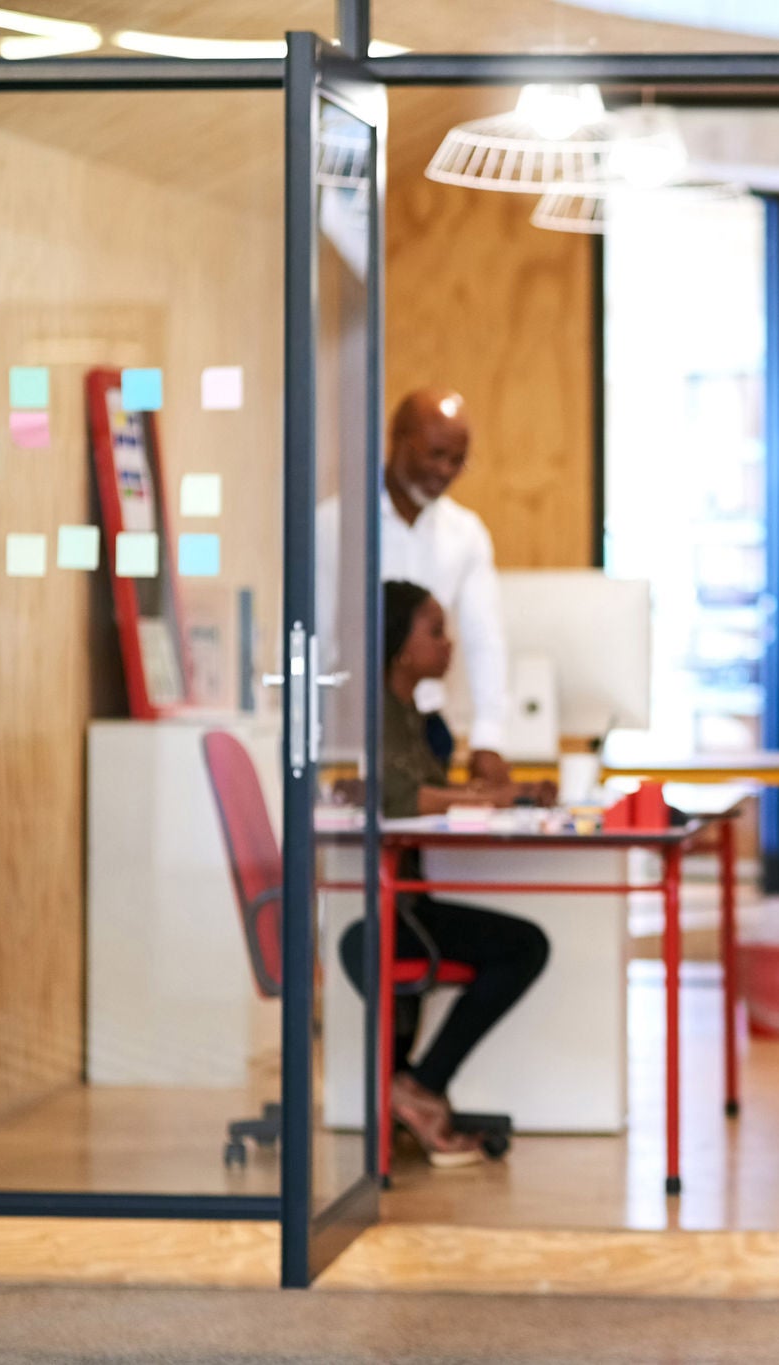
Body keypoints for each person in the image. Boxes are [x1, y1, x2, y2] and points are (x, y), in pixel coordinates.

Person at [337, 580, 551, 1168]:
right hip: (385, 909)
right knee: (523, 947)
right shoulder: (373, 713)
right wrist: (492, 799)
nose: (449, 643)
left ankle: (415, 1086)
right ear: (402, 647)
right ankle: (419, 1087)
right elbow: (399, 795)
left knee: (523, 944)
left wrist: (497, 793)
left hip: (407, 899)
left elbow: (429, 790)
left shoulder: (409, 712)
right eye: (435, 631)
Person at [317, 389, 525, 795]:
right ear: (397, 440)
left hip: (427, 729)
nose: (445, 470)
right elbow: (317, 635)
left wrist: (488, 737)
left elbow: (485, 640)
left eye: (458, 460)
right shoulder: (336, 524)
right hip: (354, 730)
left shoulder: (466, 534)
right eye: (435, 454)